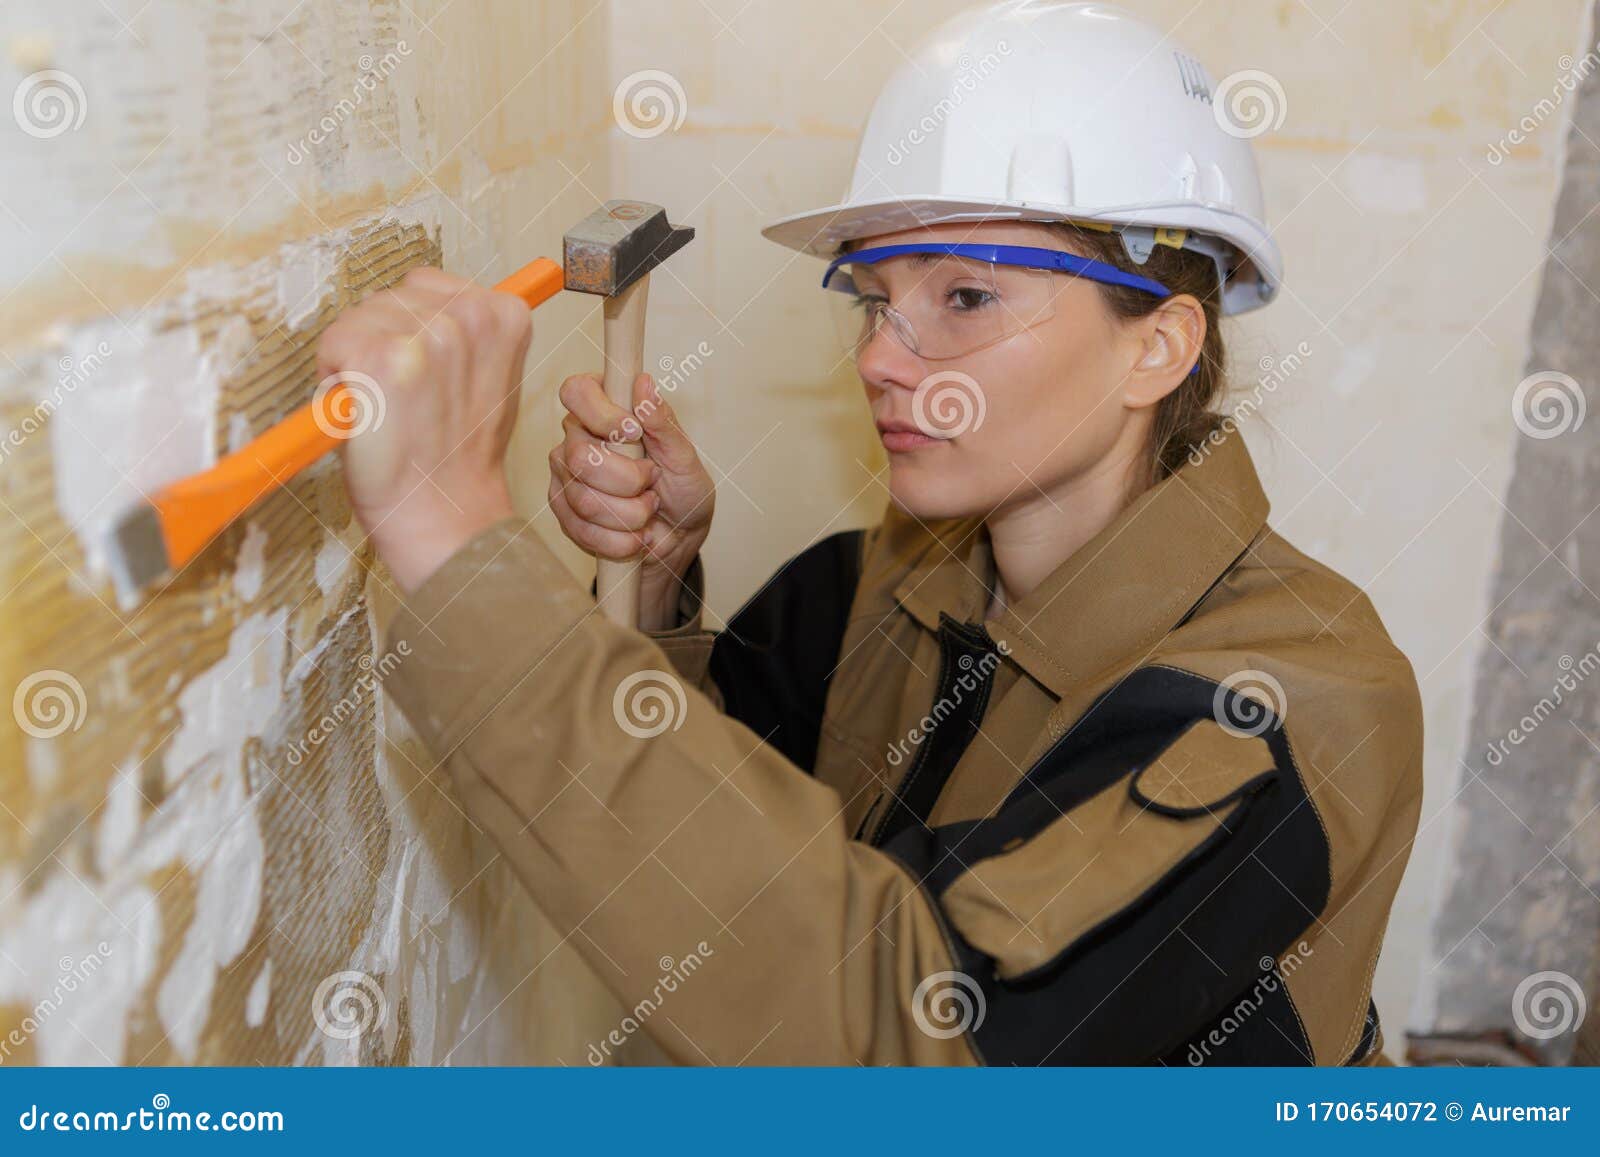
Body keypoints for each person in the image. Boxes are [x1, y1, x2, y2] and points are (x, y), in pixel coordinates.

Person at [317, 1, 1422, 1065]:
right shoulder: (885, 586)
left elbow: (906, 1029)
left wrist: (454, 535)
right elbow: (706, 849)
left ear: (1159, 346)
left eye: (967, 297)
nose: (882, 358)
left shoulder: (1284, 702)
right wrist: (652, 586)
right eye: (873, 295)